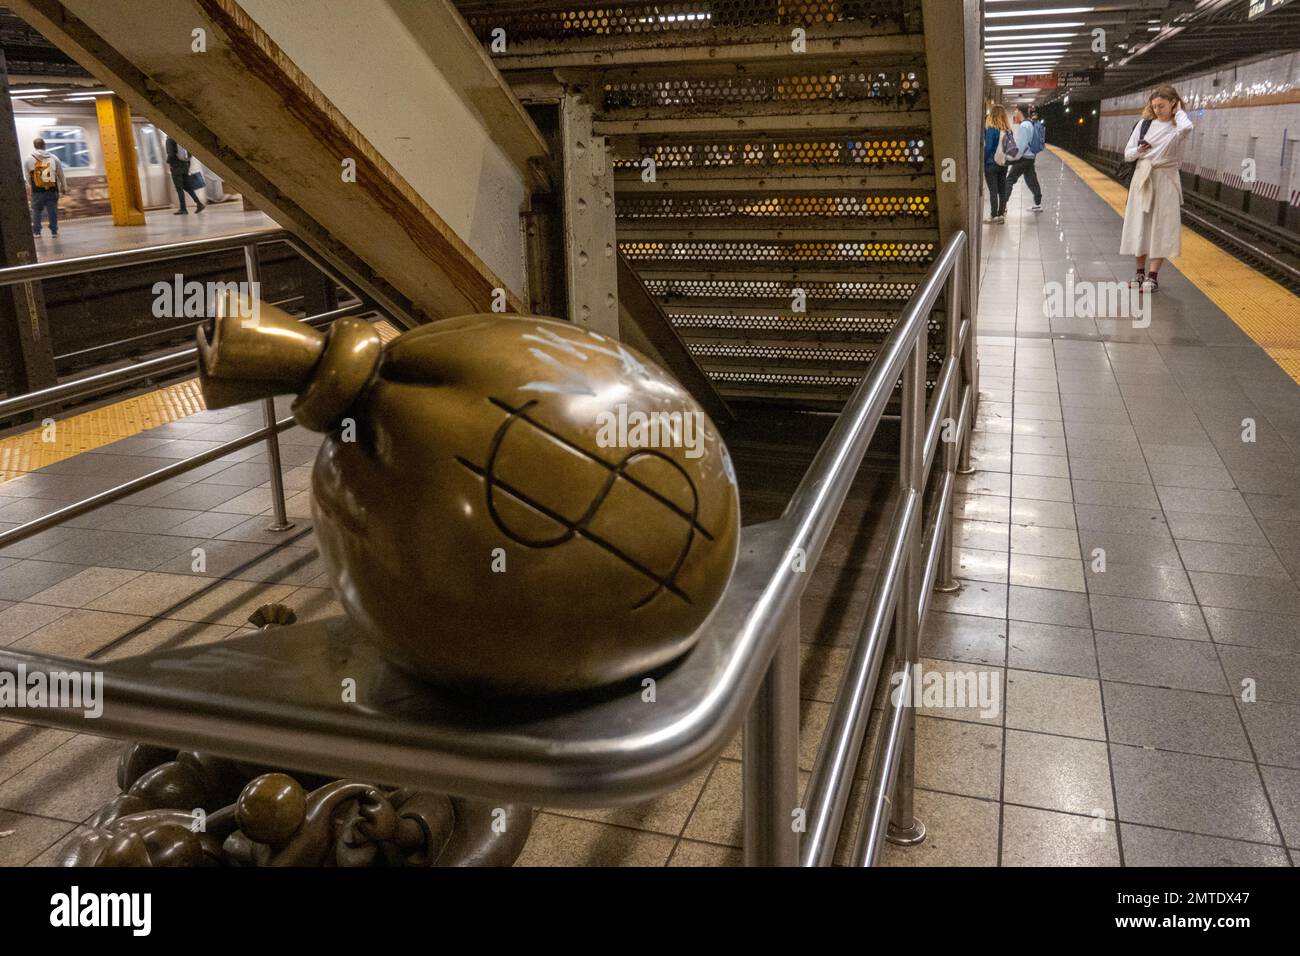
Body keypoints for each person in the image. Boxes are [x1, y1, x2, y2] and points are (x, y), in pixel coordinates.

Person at [1119, 84, 1193, 293]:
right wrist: (1139, 149)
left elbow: (1188, 127)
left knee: (1161, 226)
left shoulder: (1178, 127)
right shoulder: (1144, 125)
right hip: (1143, 177)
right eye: (1154, 106)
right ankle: (1139, 273)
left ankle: (1153, 276)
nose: (1157, 110)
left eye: (1162, 106)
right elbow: (1127, 154)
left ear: (1173, 103)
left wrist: (1179, 112)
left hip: (1165, 179)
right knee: (1139, 224)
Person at [23, 137, 68, 238]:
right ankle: (54, 232)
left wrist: (30, 188)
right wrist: (64, 187)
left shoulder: (28, 159)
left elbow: (27, 177)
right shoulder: (54, 158)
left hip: (37, 191)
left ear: (34, 146)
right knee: (52, 211)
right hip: (52, 189)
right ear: (44, 145)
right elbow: (61, 174)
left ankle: (37, 232)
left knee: (36, 211)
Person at [1002, 106, 1044, 212]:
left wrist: (1011, 159)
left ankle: (1003, 205)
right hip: (1030, 157)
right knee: (1031, 179)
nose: (1015, 113)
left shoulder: (1024, 126)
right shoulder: (1030, 123)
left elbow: (1021, 147)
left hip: (1024, 158)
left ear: (1020, 112)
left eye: (1016, 111)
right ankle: (1038, 203)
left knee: (1010, 179)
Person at [983, 105, 1012, 224]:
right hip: (1003, 164)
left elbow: (989, 147)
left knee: (993, 191)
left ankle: (993, 216)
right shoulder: (1008, 130)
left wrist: (984, 161)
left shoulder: (992, 129)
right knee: (1002, 190)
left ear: (992, 115)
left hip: (991, 163)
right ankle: (1001, 215)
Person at [165, 135, 205, 214]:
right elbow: (190, 154)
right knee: (188, 187)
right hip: (185, 166)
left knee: (179, 189)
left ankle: (183, 209)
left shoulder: (169, 140)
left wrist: (170, 163)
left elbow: (171, 154)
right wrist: (187, 165)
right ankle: (199, 204)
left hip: (176, 168)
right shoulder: (182, 138)